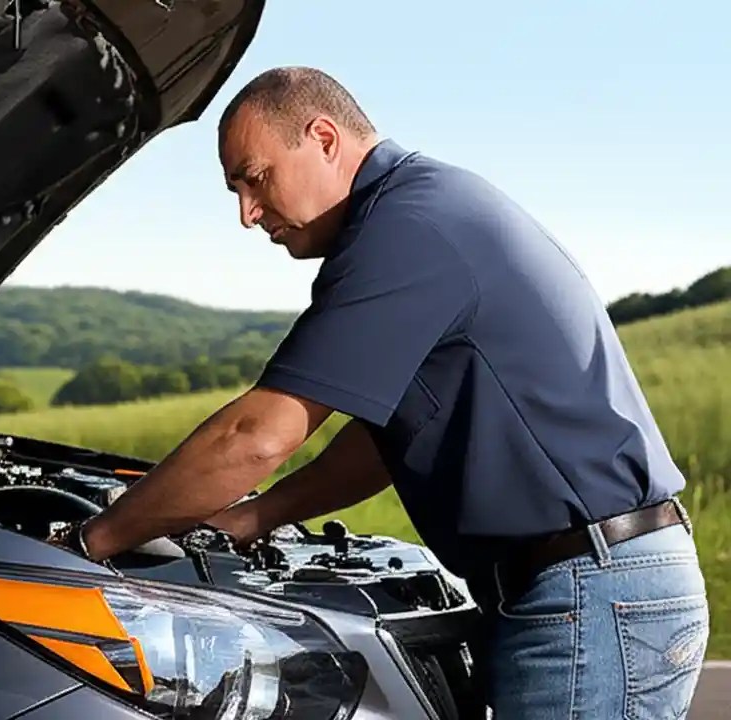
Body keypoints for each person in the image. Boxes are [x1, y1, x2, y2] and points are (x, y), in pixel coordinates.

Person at [49, 67, 709, 717]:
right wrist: (259, 515)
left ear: (324, 138)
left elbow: (256, 436)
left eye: (254, 179)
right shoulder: (425, 207)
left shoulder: (407, 229)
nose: (248, 214)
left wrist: (90, 543)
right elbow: (379, 439)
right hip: (585, 582)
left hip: (591, 589)